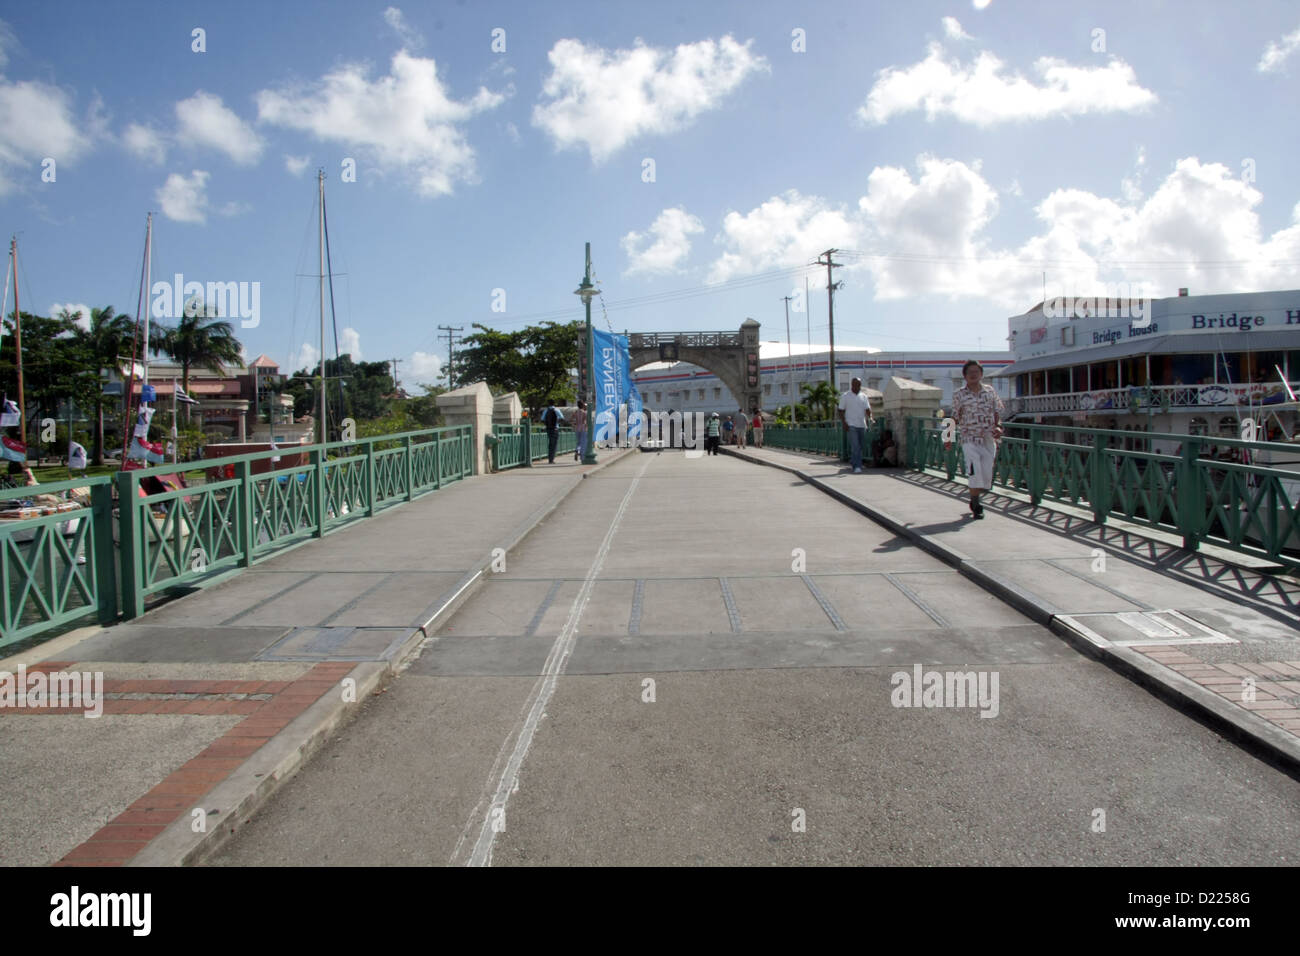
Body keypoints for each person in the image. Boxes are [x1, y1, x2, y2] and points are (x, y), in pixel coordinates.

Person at [947, 359, 1004, 519]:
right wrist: (948, 437)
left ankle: (975, 498)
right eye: (970, 372)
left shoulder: (990, 391)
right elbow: (954, 416)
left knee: (986, 474)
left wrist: (999, 426)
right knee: (974, 470)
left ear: (981, 374)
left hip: (987, 437)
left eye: (976, 372)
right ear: (964, 376)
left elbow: (997, 412)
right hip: (969, 438)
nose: (973, 375)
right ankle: (976, 503)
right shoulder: (959, 394)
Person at [837, 377, 874, 473]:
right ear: (852, 385)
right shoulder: (845, 396)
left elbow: (867, 409)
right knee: (855, 446)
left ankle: (855, 462)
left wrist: (870, 417)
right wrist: (844, 422)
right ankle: (857, 466)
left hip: (862, 424)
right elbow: (840, 411)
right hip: (851, 424)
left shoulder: (863, 396)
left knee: (860, 446)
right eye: (856, 384)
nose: (858, 386)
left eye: (859, 384)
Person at [542, 399, 563, 463]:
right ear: (554, 403)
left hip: (548, 429)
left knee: (550, 443)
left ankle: (550, 458)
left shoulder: (546, 410)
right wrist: (557, 422)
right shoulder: (556, 410)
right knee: (554, 444)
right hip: (555, 428)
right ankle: (551, 459)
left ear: (548, 403)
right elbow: (562, 418)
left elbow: (542, 419)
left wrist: (547, 424)